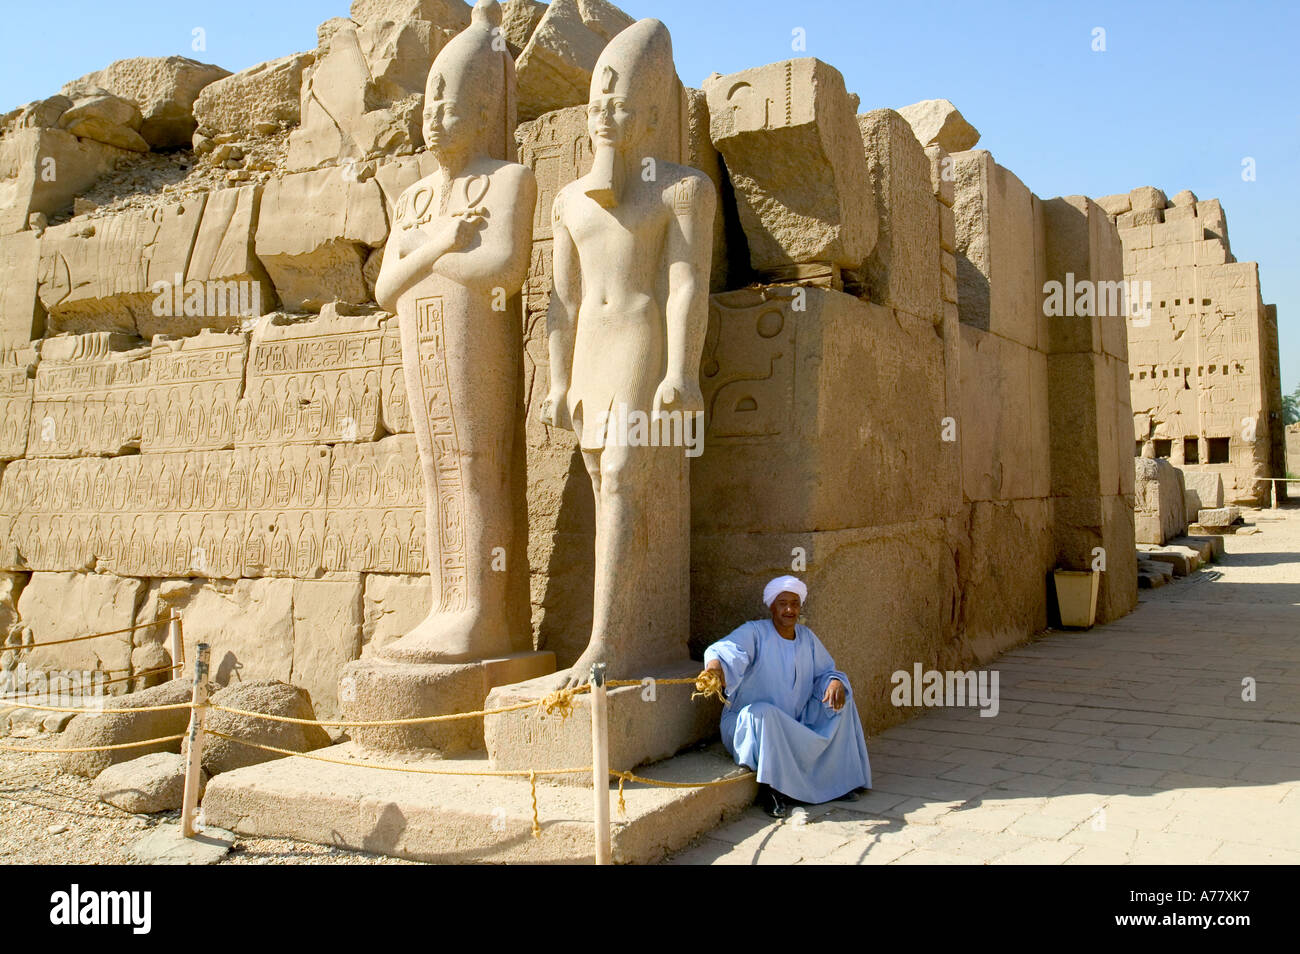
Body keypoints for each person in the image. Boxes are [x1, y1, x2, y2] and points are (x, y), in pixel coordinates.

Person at [703, 575, 872, 818]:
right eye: (782, 603)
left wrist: (834, 682)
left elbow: (826, 672)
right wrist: (716, 666)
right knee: (766, 714)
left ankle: (837, 781)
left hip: (794, 722)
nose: (789, 609)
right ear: (772, 606)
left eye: (794, 603)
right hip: (750, 724)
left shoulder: (807, 638)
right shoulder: (755, 632)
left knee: (840, 701)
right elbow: (724, 649)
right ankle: (772, 790)